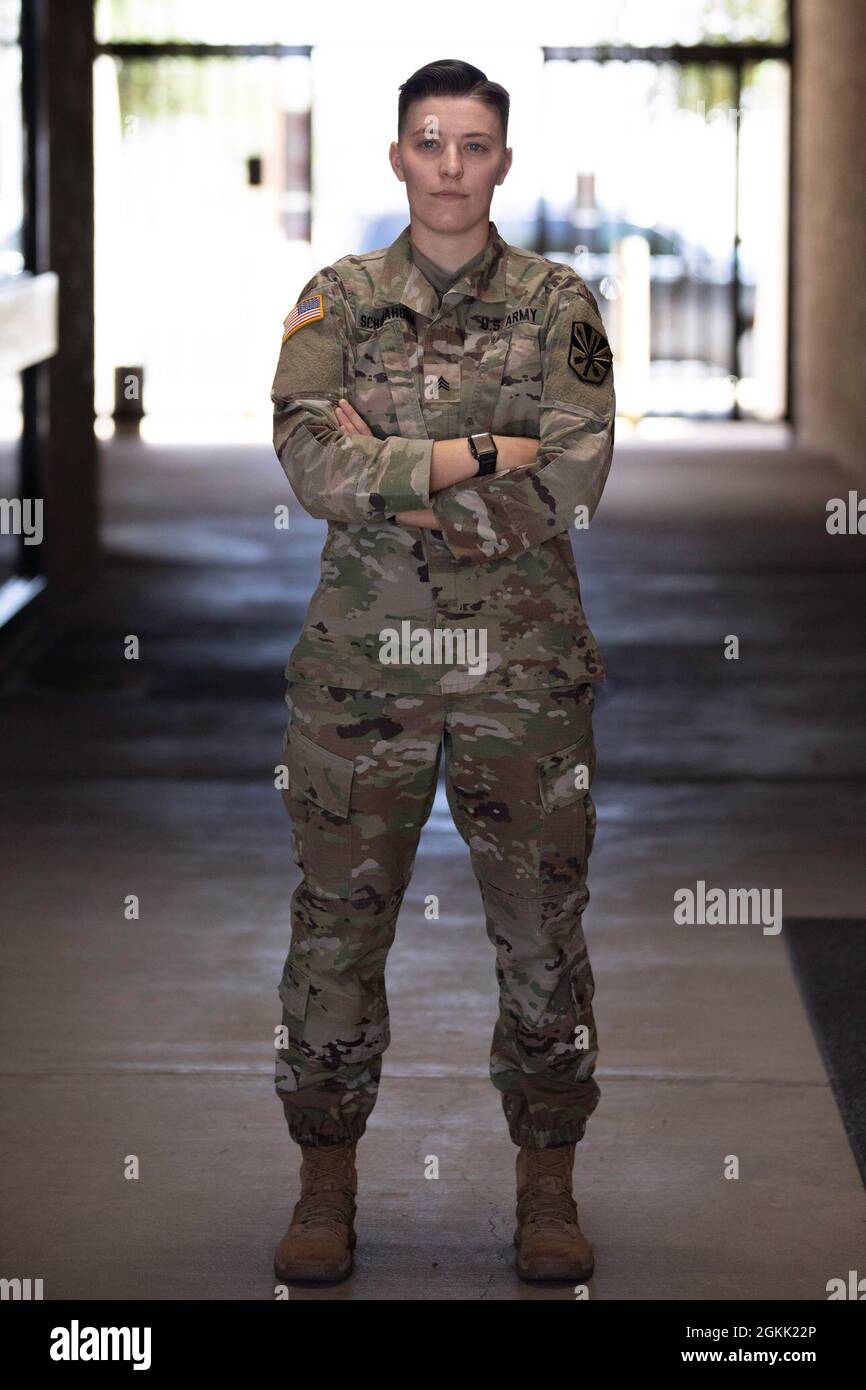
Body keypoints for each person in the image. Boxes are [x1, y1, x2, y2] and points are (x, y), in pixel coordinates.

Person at [269, 57, 616, 1285]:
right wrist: (481, 450)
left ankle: (546, 1187)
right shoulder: (340, 299)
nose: (452, 166)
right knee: (335, 936)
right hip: (361, 681)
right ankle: (323, 1186)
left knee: (541, 940)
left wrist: (400, 487)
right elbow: (312, 468)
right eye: (430, 141)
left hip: (521, 676)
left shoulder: (557, 299)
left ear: (503, 160)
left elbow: (571, 477)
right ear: (398, 155)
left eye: (474, 144)